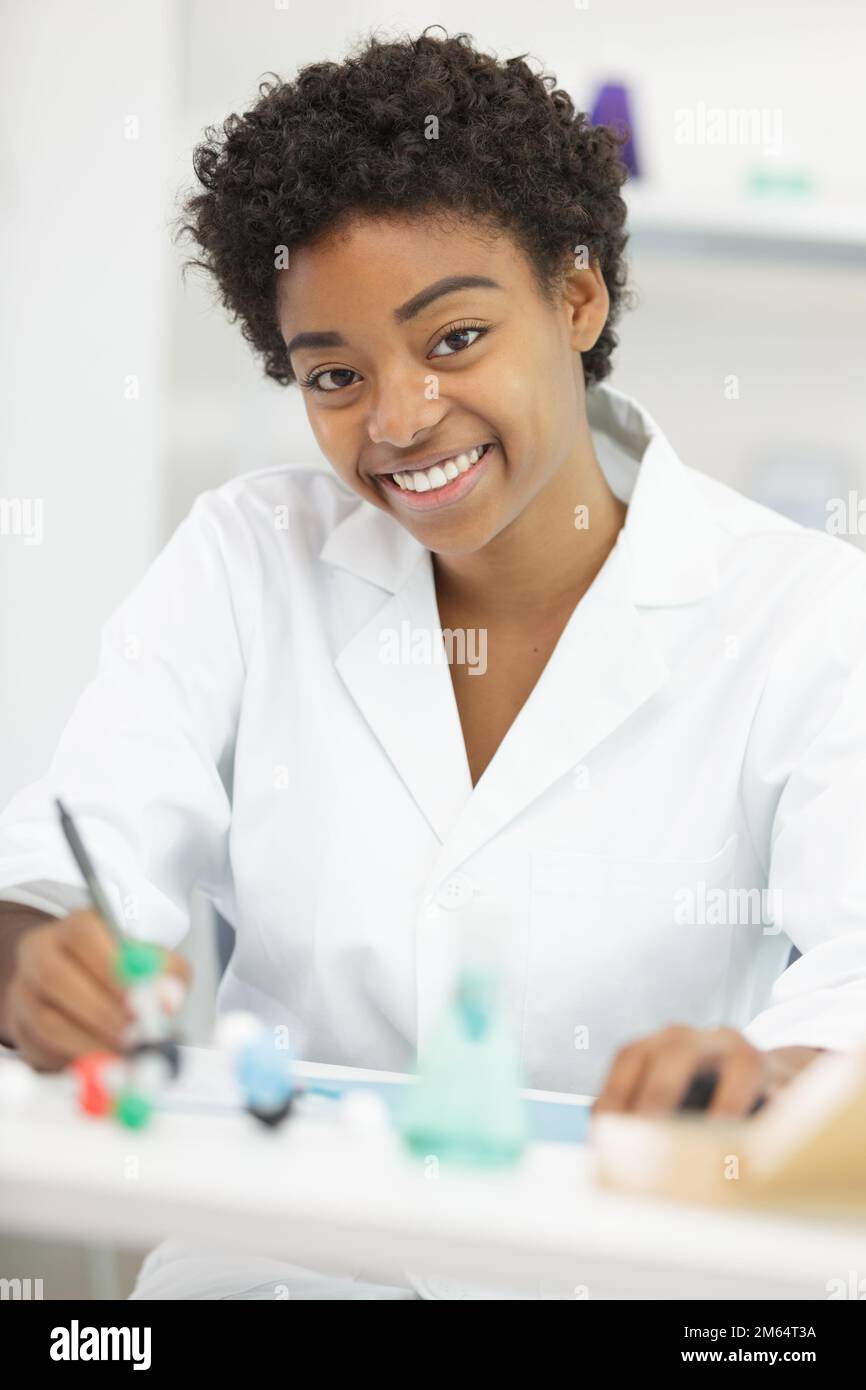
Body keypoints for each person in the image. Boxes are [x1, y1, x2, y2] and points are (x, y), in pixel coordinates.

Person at [1, 28, 865, 1300]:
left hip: (616, 1271)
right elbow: (65, 865)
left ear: (576, 297)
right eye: (334, 373)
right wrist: (40, 960)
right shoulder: (249, 559)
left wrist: (777, 1079)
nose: (397, 419)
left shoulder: (798, 611)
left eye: (453, 337)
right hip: (271, 1266)